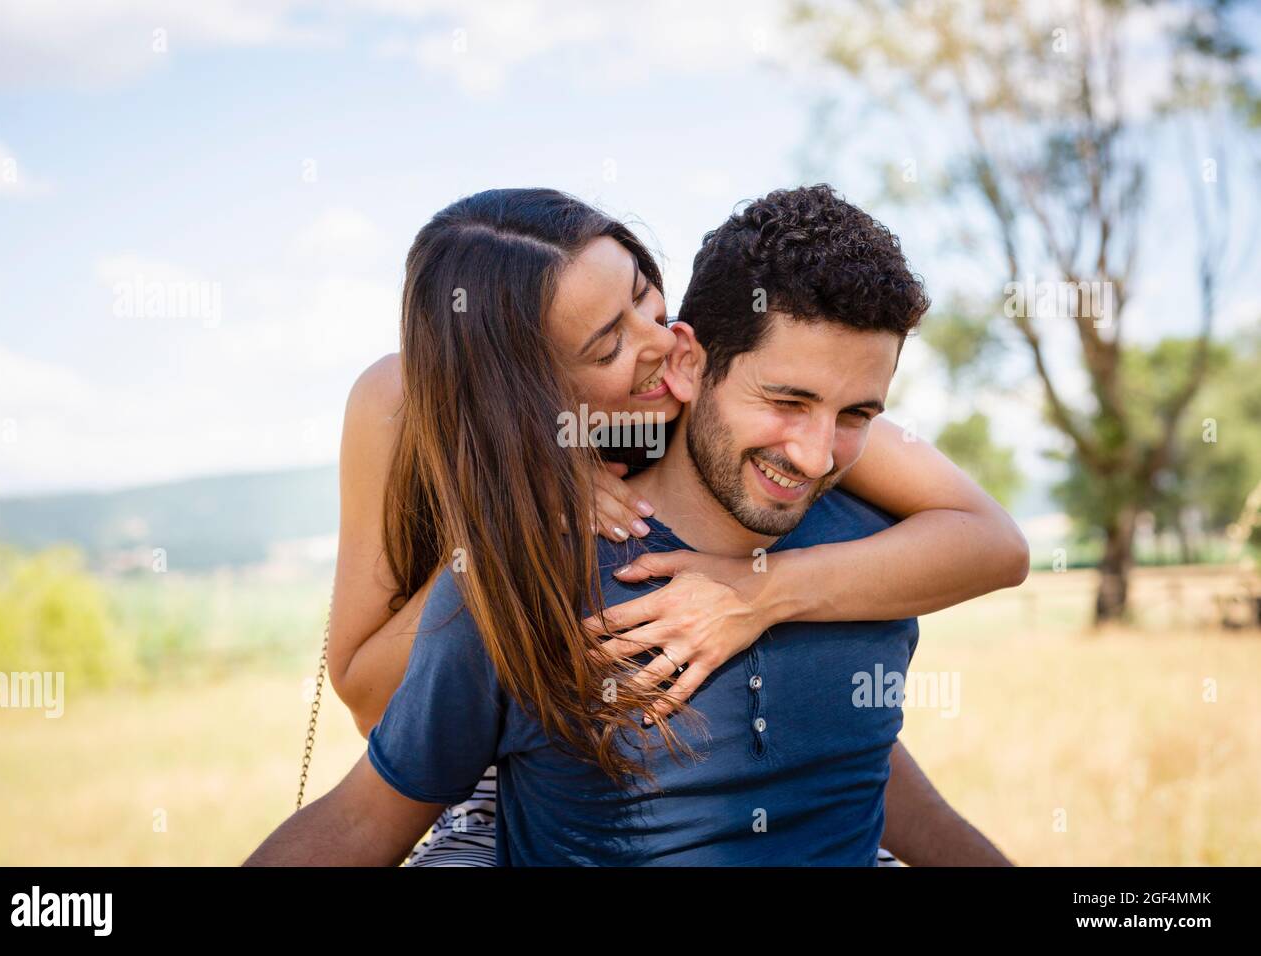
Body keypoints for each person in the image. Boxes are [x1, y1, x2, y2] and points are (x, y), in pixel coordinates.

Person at [246, 185, 1021, 866]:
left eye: (647, 296)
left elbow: (990, 543)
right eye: (609, 342)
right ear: (529, 390)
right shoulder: (402, 404)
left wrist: (760, 591)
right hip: (492, 769)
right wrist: (515, 516)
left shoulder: (750, 387)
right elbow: (367, 696)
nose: (660, 342)